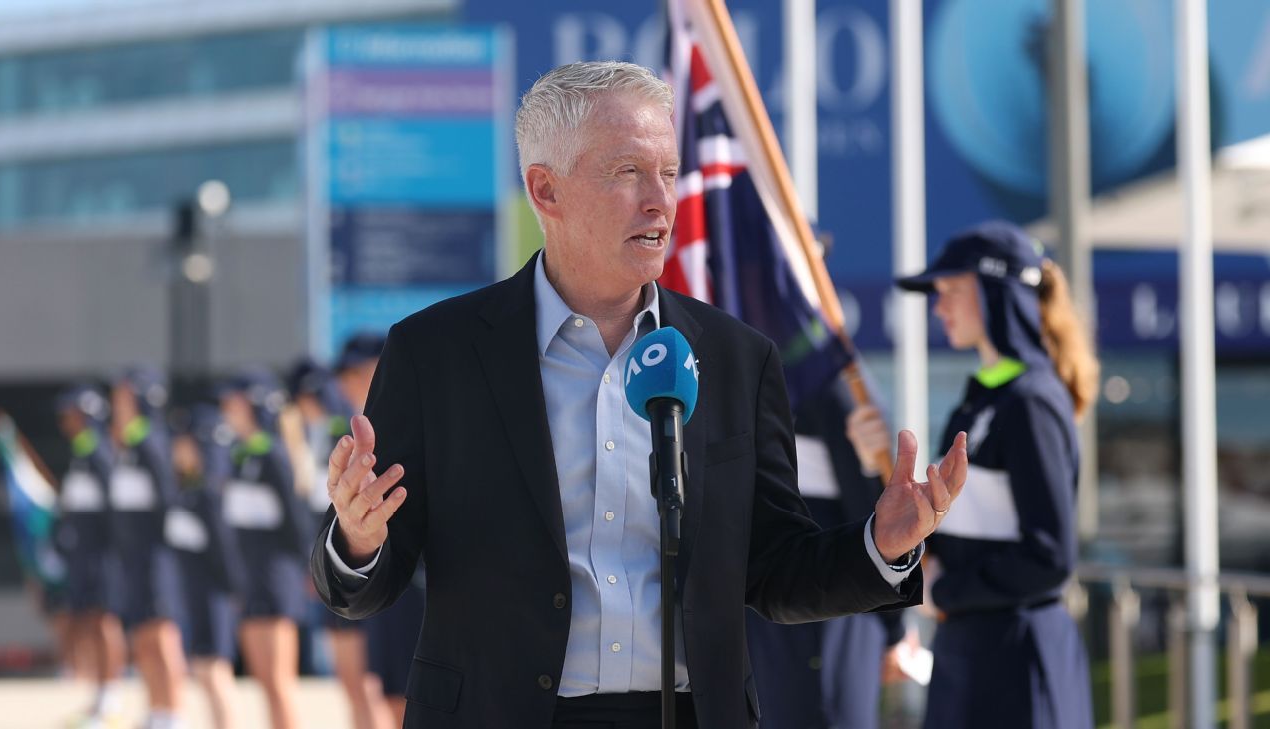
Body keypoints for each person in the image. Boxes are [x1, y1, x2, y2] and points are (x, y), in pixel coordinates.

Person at [310, 61, 968, 729]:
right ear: (545, 190)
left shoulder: (738, 359)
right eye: (627, 172)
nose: (660, 201)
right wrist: (358, 539)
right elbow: (369, 586)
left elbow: (772, 569)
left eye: (669, 173)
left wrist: (880, 546)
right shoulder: (435, 354)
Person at [846, 221, 1098, 729]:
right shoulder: (982, 399)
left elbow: (1051, 558)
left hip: (1018, 663)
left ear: (995, 292)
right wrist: (875, 465)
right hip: (970, 653)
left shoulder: (1031, 402)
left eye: (951, 291)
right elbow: (954, 535)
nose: (939, 308)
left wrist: (944, 591)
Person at [744, 372, 911, 729]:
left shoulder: (831, 384)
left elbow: (874, 514)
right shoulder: (817, 381)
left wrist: (895, 629)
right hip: (783, 612)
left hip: (829, 611)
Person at [288, 356, 394, 729]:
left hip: (360, 567)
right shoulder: (322, 431)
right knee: (352, 683)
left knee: (366, 684)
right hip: (337, 561)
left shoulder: (344, 427)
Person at [333, 333, 427, 729]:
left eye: (360, 372)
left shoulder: (415, 422)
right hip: (358, 569)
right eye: (348, 375)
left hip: (412, 579)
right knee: (375, 688)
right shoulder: (339, 431)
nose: (351, 383)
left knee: (407, 696)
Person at [218, 369, 313, 729]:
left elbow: (297, 523)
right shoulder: (240, 455)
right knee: (264, 682)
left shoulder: (274, 455)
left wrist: (308, 571)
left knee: (277, 683)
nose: (227, 409)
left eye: (234, 402)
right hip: (249, 580)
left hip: (275, 580)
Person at [109, 367, 188, 729]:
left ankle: (173, 713)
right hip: (133, 559)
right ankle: (157, 711)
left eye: (124, 397)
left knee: (161, 635)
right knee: (142, 636)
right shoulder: (127, 444)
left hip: (157, 558)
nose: (117, 403)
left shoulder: (151, 441)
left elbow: (168, 501)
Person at [54, 384, 128, 727]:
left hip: (103, 556)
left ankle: (111, 695)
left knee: (104, 622)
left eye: (71, 413)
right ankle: (100, 695)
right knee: (90, 621)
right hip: (85, 556)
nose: (65, 421)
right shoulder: (82, 452)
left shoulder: (99, 452)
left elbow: (114, 508)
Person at [167, 404, 245, 729]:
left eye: (182, 442)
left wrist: (235, 590)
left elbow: (225, 550)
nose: (176, 449)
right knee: (203, 670)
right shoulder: (189, 490)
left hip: (215, 595)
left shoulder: (211, 492)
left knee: (215, 671)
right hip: (196, 593)